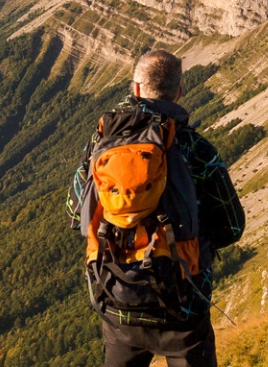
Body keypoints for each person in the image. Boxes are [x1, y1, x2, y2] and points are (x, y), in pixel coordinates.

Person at [73, 49, 244, 367]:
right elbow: (233, 226)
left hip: (118, 301)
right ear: (179, 92)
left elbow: (76, 214)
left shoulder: (101, 143)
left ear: (134, 89)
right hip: (184, 306)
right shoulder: (195, 148)